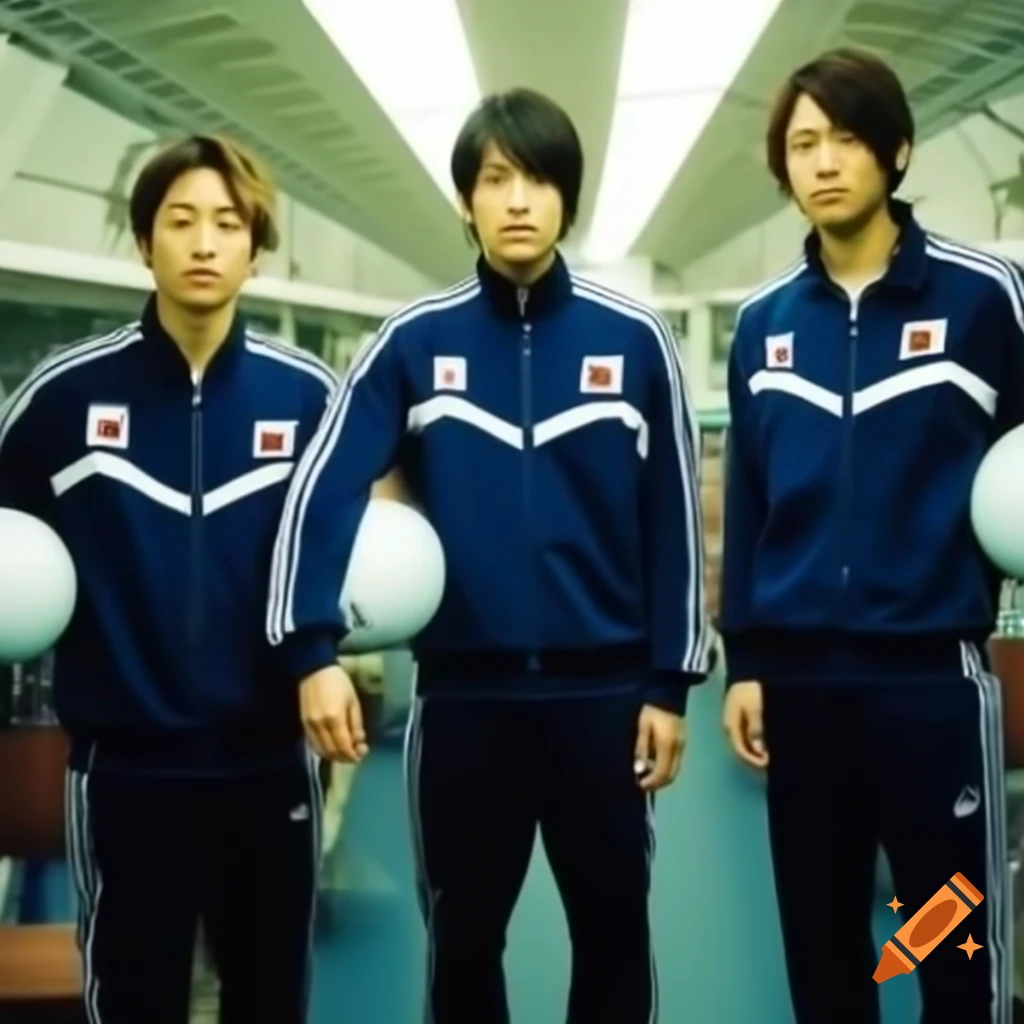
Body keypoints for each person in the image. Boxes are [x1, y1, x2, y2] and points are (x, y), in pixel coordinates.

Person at [266, 87, 712, 1023]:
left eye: (539, 180)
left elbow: (670, 518)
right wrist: (311, 650)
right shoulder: (413, 343)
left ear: (568, 198)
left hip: (603, 705)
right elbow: (321, 487)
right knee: (465, 943)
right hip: (464, 706)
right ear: (465, 198)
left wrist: (670, 684)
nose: (517, 200)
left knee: (613, 937)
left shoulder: (635, 342)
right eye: (497, 179)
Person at [0, 134, 355, 1024]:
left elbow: (343, 551)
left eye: (227, 224)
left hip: (268, 765)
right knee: (133, 1004)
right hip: (124, 770)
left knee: (269, 1001)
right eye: (180, 221)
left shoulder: (308, 399)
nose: (203, 243)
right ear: (142, 242)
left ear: (255, 249)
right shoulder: (61, 399)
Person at [719, 48, 1024, 1024]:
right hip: (801, 687)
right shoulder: (762, 325)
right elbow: (752, 502)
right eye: (803, 143)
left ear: (896, 151)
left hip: (929, 681)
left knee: (948, 937)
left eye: (847, 138)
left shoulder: (984, 298)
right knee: (822, 945)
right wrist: (745, 663)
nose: (824, 161)